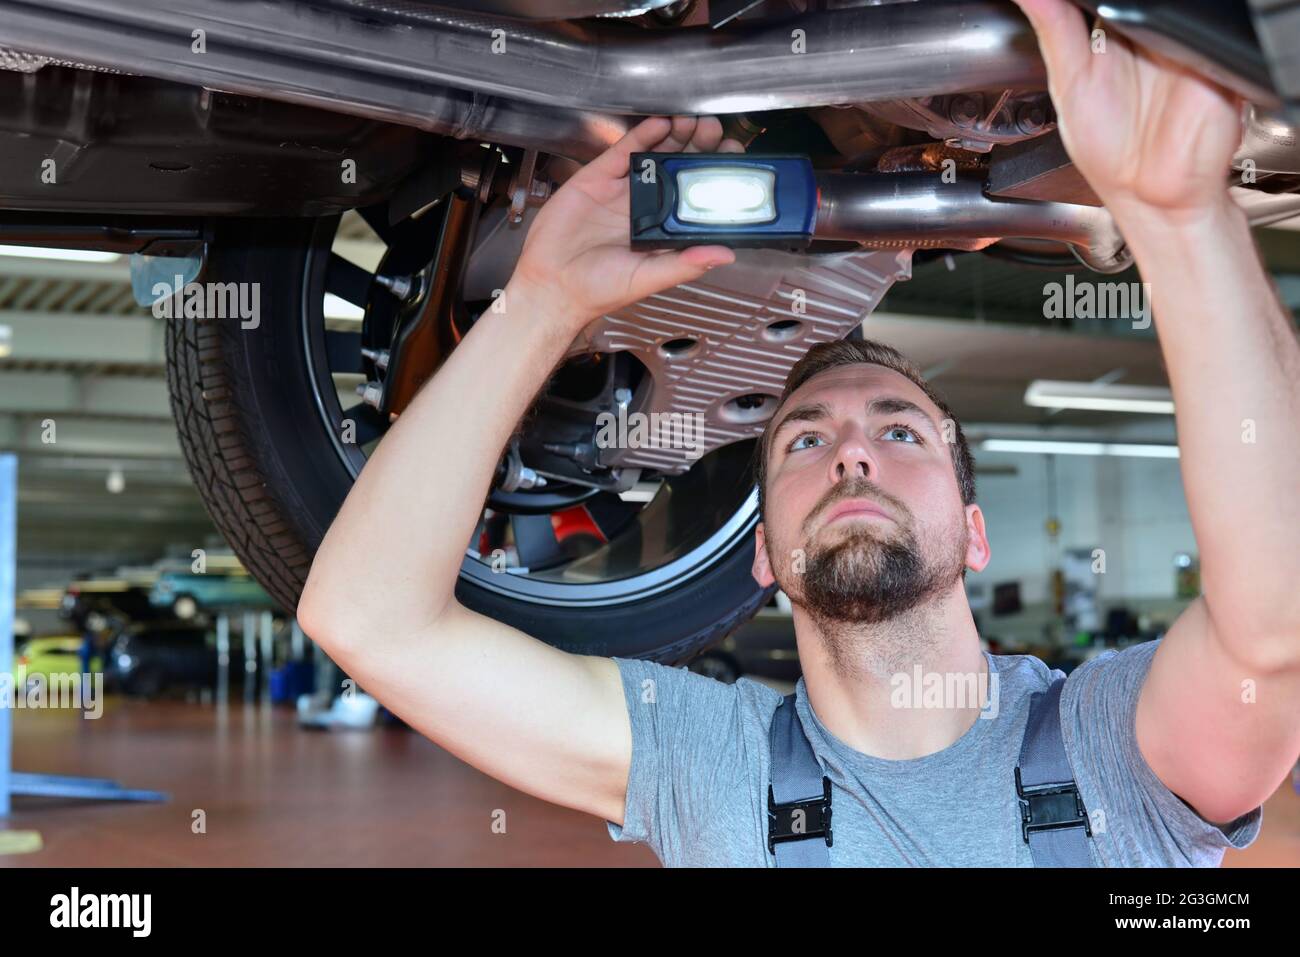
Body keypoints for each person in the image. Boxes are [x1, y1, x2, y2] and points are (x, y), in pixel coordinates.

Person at [297, 0, 1299, 865]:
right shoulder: (707, 762)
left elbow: (1276, 629)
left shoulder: (1110, 749)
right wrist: (541, 305)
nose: (853, 450)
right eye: (804, 441)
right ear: (765, 553)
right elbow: (368, 623)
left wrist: (1181, 217)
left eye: (901, 433)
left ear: (976, 531)